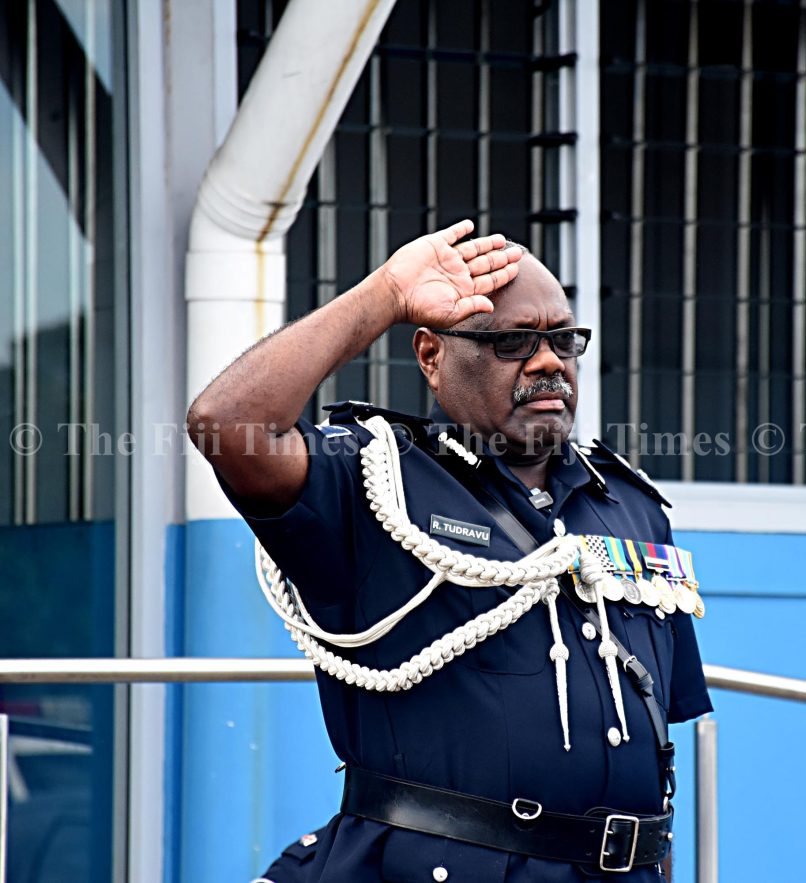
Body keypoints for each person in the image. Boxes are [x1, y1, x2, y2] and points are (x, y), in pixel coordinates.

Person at [187, 220, 712, 881]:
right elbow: (228, 424)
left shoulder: (630, 507)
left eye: (562, 340)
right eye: (513, 341)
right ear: (431, 355)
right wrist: (386, 293)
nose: (548, 360)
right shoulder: (373, 482)